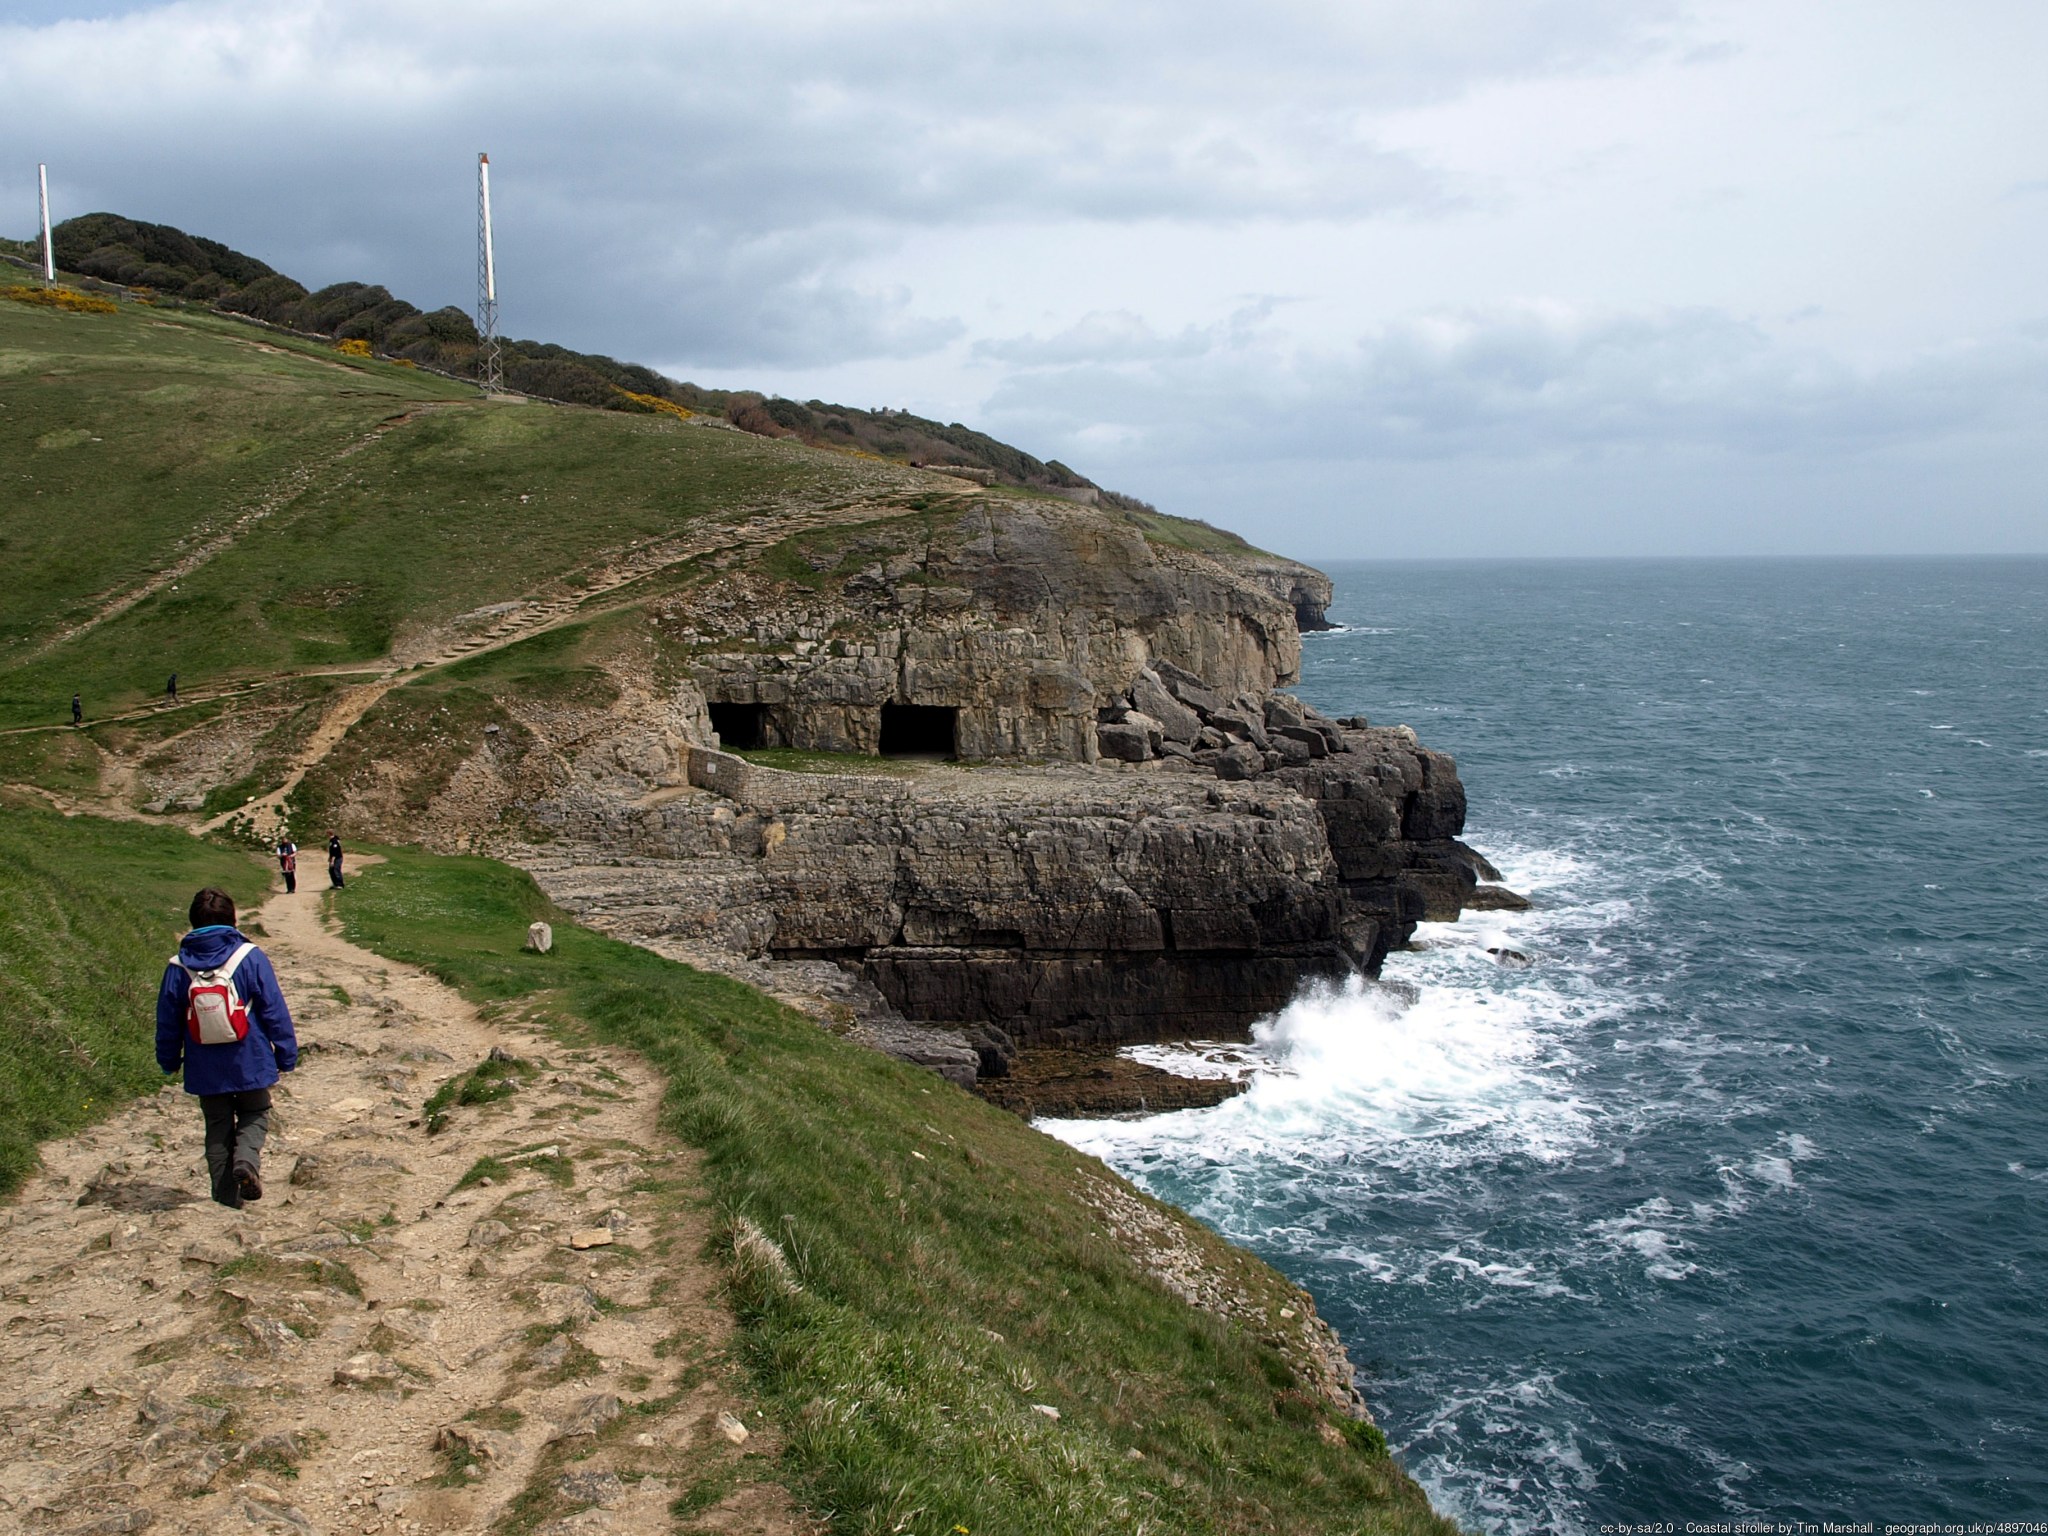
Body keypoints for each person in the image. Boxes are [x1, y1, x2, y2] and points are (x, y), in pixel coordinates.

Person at [155, 887, 297, 1209]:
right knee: (255, 1112)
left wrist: (168, 1060)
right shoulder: (250, 957)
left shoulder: (178, 967)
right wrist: (286, 1054)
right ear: (232, 919)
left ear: (193, 923)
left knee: (217, 1126)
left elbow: (168, 1021)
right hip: (250, 1058)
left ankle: (224, 1202)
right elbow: (274, 1010)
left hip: (204, 1064)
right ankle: (246, 1162)